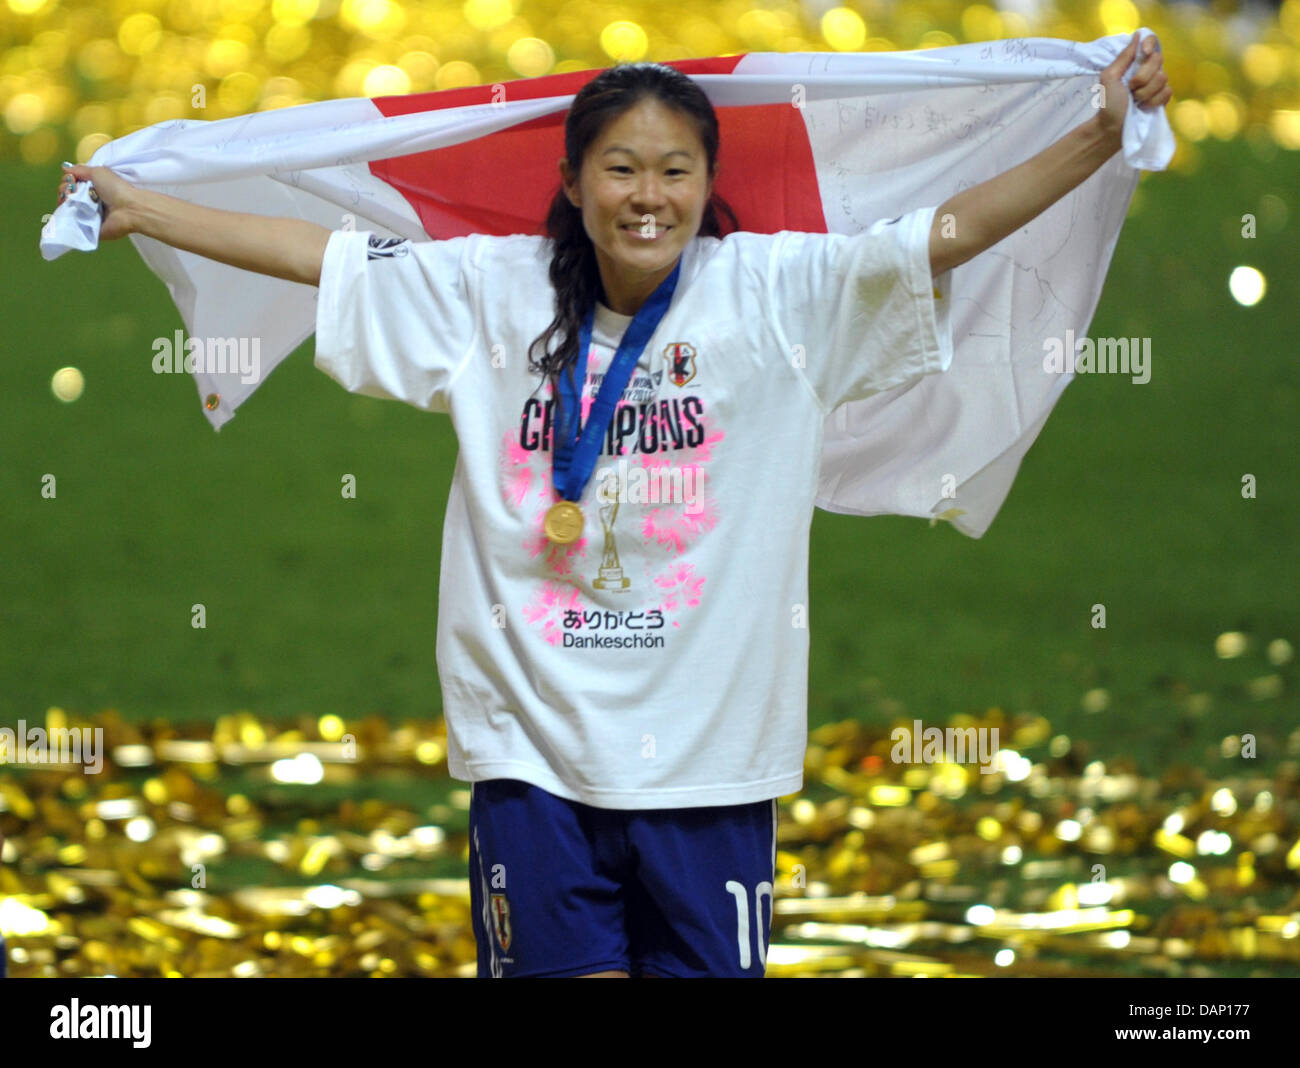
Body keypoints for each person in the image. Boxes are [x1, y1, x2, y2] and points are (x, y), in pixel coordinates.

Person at [55, 33, 1169, 978]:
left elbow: (951, 233)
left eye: (676, 171)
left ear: (706, 180)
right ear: (575, 184)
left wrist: (1098, 129)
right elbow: (324, 259)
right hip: (530, 753)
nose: (649, 197)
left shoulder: (782, 294)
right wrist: (146, 210)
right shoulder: (492, 289)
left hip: (713, 764)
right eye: (622, 171)